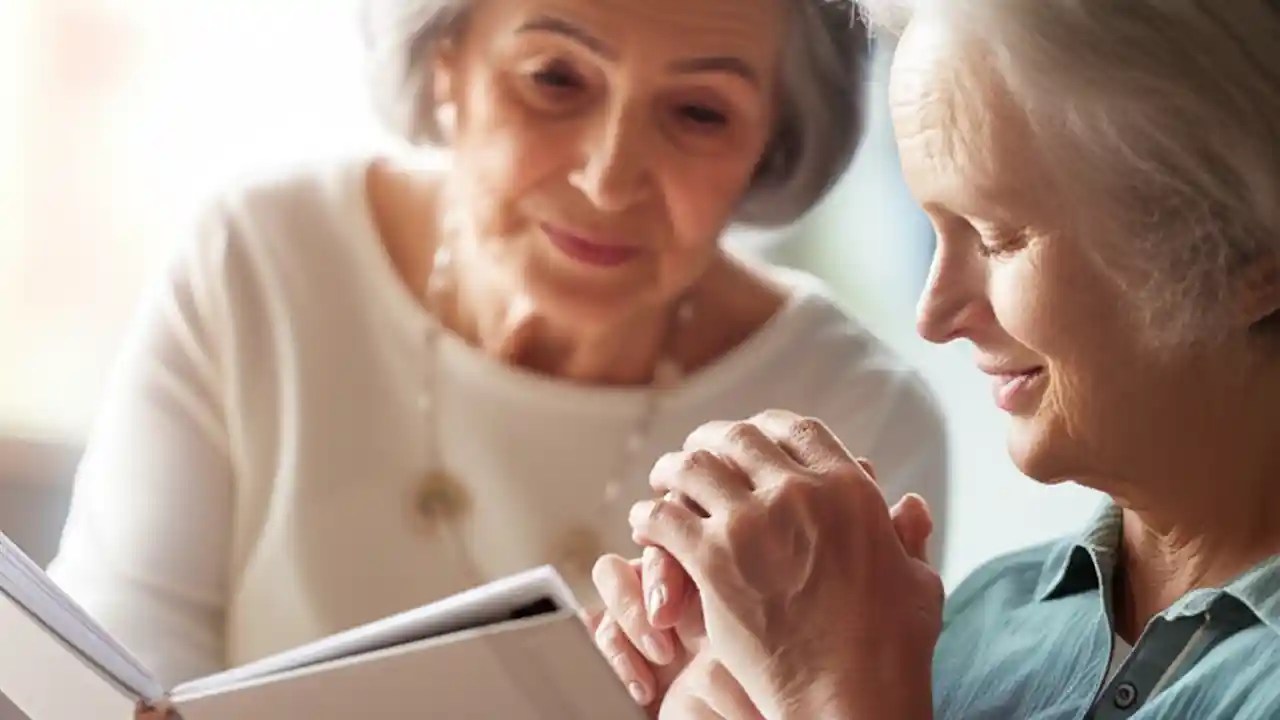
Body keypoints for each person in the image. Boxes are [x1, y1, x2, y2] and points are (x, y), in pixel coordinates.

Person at [46, 0, 948, 692]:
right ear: (447, 61)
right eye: (555, 79)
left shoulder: (846, 418)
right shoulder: (259, 259)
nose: (608, 174)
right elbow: (108, 670)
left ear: (770, 143)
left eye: (700, 113)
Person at [592, 0, 1280, 717]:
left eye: (995, 237)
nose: (935, 316)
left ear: (1253, 249)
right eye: (934, 231)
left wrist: (833, 693)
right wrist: (725, 689)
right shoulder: (979, 618)